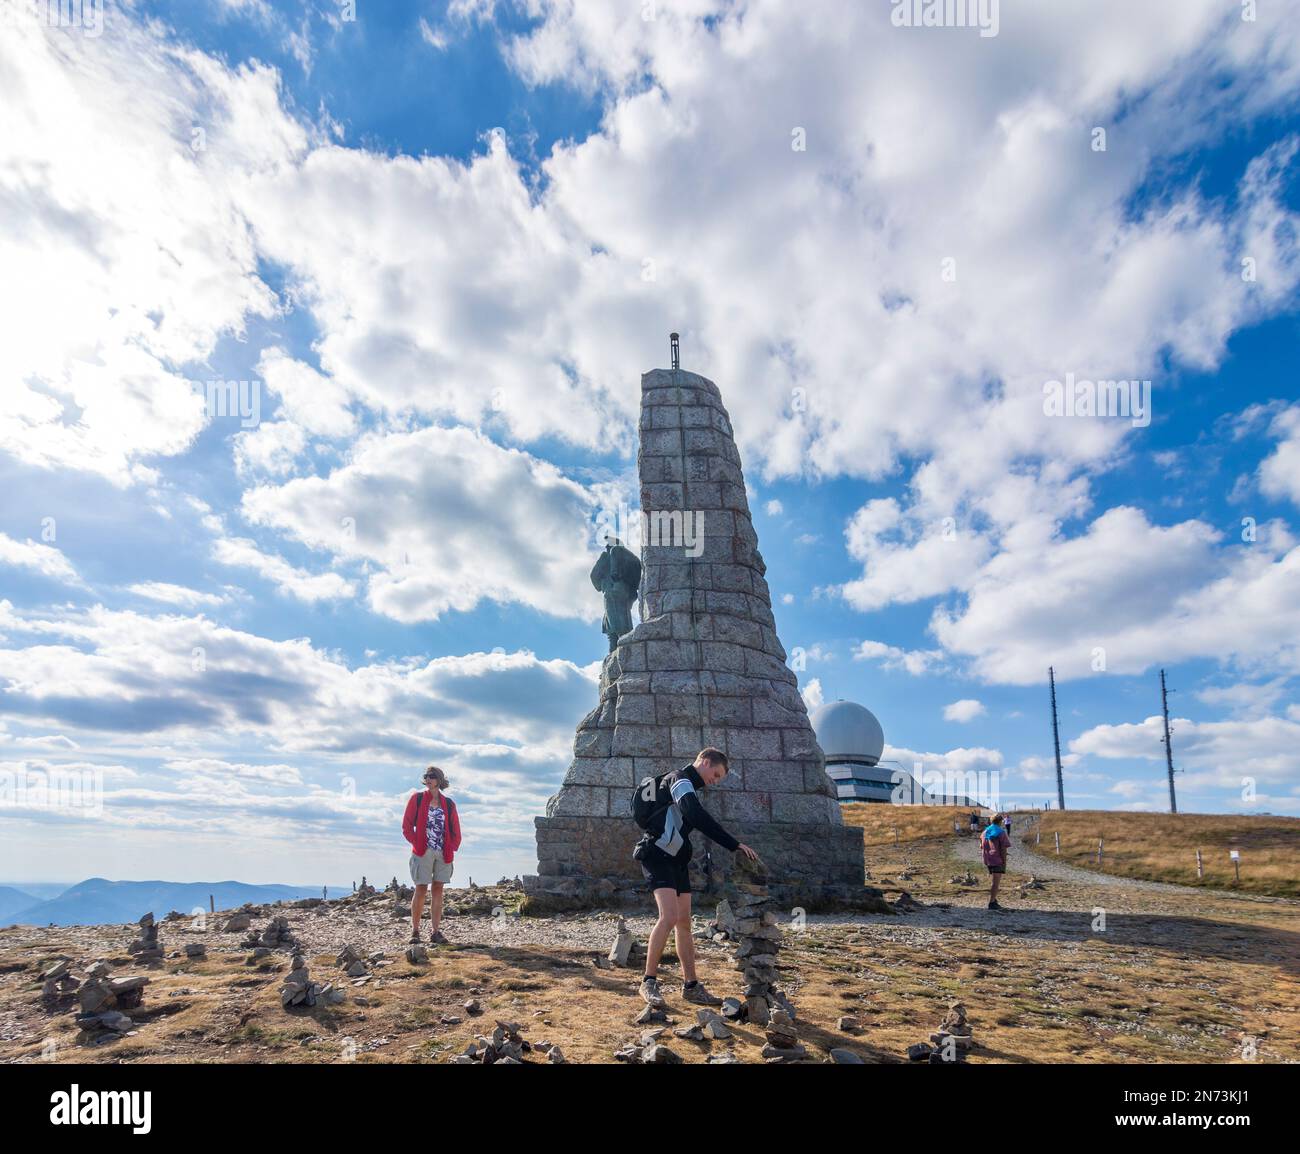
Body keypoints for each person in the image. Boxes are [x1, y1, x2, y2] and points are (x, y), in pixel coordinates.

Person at [634, 748, 760, 1008]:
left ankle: (691, 986)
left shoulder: (689, 785)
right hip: (657, 854)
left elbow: (688, 818)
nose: (714, 781)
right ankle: (648, 982)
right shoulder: (679, 779)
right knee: (668, 917)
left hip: (677, 859)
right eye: (715, 774)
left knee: (684, 924)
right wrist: (733, 844)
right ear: (704, 762)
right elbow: (694, 814)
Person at [402, 765, 462, 945]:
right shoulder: (417, 799)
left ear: (439, 780)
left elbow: (456, 830)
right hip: (423, 851)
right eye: (426, 776)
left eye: (432, 776)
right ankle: (415, 931)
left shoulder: (449, 804)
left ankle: (435, 932)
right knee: (420, 889)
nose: (428, 779)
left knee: (438, 890)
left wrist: (452, 846)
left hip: (443, 852)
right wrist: (418, 843)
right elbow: (406, 826)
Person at [981, 812, 1011, 910]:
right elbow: (1003, 849)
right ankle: (992, 902)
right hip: (997, 859)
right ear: (1001, 821)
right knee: (996, 882)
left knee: (994, 880)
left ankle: (994, 899)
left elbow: (980, 842)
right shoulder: (1001, 832)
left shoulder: (985, 832)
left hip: (987, 858)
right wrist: (1004, 861)